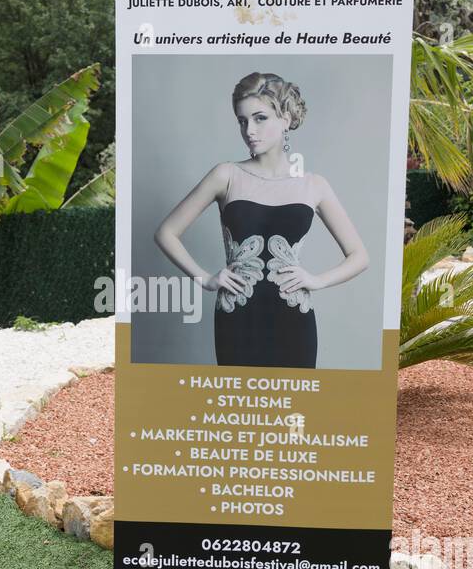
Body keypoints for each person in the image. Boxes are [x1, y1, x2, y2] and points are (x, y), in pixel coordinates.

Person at [154, 71, 370, 368]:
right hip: (237, 316)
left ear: (286, 119)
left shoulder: (313, 184)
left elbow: (360, 256)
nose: (249, 130)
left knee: (295, 410)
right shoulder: (226, 175)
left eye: (260, 118)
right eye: (242, 121)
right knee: (237, 409)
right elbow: (166, 232)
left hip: (294, 318)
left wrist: (317, 281)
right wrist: (205, 279)